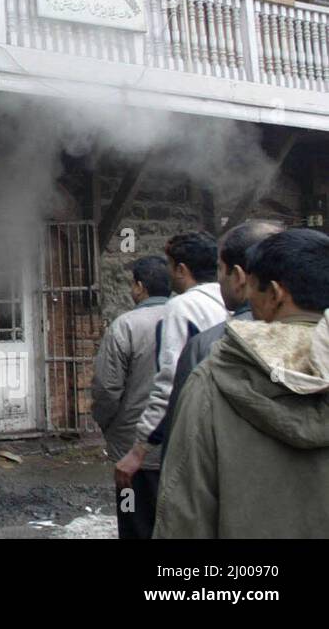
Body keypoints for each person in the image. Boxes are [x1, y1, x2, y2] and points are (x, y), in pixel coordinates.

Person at [155, 229, 329, 538]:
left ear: (275, 294)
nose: (247, 298)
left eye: (252, 288)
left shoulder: (212, 380)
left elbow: (185, 518)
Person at [150, 220, 284, 456]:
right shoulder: (318, 338)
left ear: (239, 277)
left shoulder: (205, 344)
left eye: (220, 269)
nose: (218, 279)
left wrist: (145, 444)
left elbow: (180, 420)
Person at [115, 231, 226, 498]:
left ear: (181, 269)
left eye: (170, 265)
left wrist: (139, 448)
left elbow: (169, 382)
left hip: (194, 429)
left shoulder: (181, 308)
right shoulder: (229, 301)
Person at [91, 256, 171, 539]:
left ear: (139, 287)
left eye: (132, 285)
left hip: (133, 447)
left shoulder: (125, 326)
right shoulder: (189, 319)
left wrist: (106, 424)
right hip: (181, 442)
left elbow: (106, 388)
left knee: (133, 517)